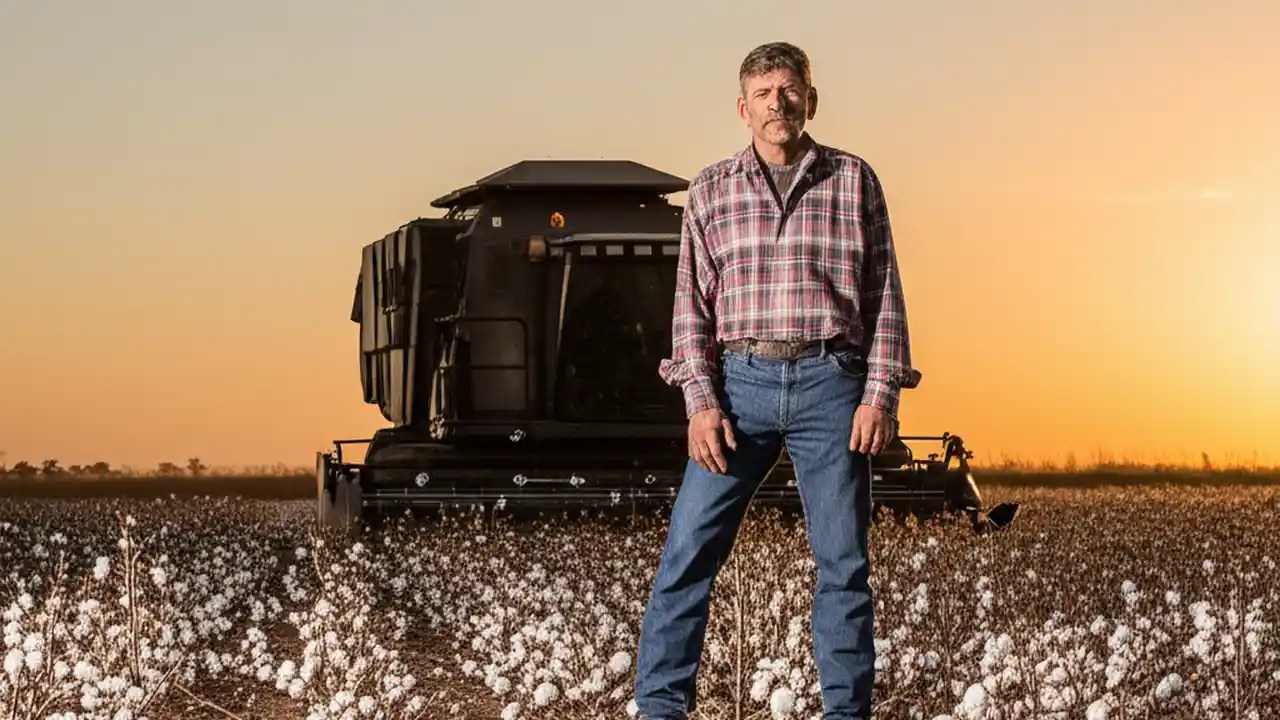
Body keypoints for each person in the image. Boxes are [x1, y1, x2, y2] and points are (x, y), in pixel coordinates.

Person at [633, 41, 922, 720]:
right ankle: (660, 707)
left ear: (810, 100)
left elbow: (884, 294)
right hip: (740, 385)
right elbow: (690, 309)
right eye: (763, 93)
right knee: (687, 553)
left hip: (833, 383)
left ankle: (846, 712)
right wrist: (700, 404)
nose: (777, 103)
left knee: (844, 564)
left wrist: (879, 394)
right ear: (742, 108)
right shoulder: (710, 188)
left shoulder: (854, 180)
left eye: (789, 90)